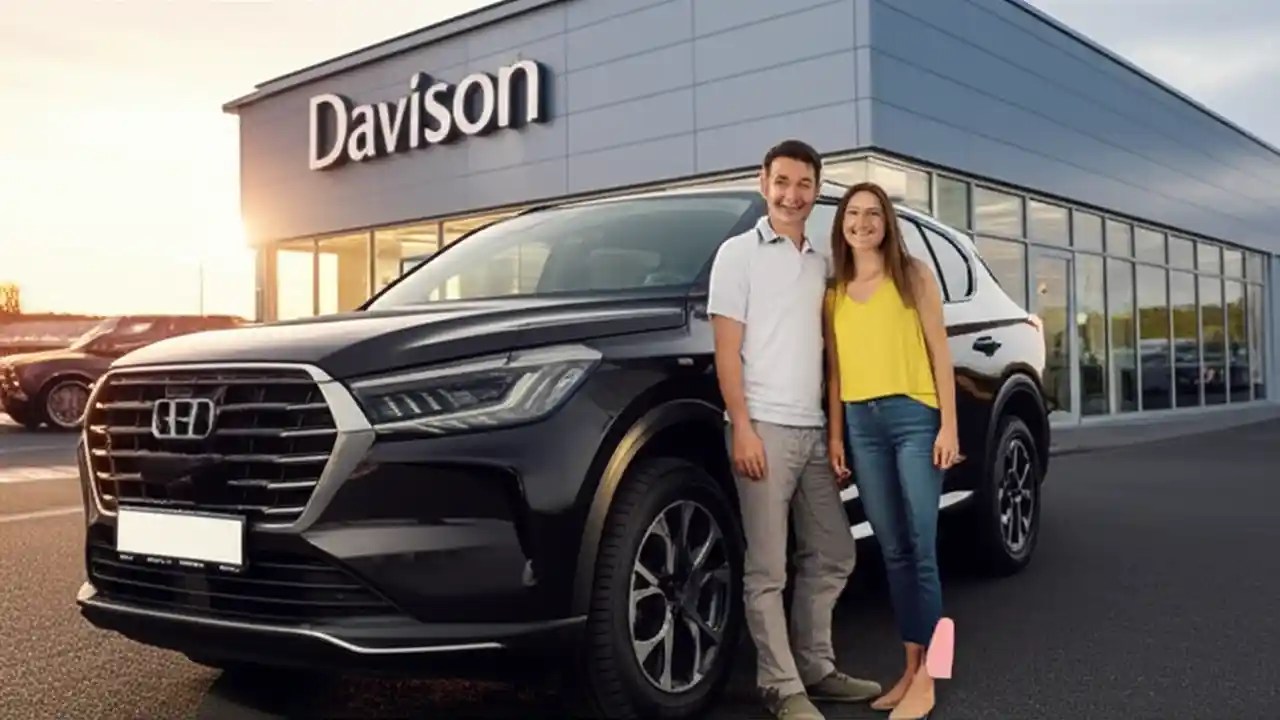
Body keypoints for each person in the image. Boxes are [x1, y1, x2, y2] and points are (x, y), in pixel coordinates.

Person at [708, 140, 882, 720]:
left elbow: (834, 353)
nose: (792, 194)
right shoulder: (737, 255)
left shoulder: (822, 263)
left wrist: (834, 434)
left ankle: (815, 668)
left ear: (817, 190)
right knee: (767, 569)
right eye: (782, 182)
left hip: (812, 431)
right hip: (764, 429)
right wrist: (742, 427)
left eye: (804, 184)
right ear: (763, 183)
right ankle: (781, 688)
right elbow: (726, 352)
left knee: (834, 551)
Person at [822, 181, 959, 720]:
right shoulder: (833, 292)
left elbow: (940, 354)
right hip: (862, 424)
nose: (862, 222)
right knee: (894, 549)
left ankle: (932, 675)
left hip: (914, 419)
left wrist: (948, 427)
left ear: (886, 222)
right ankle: (909, 667)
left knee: (923, 545)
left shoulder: (912, 276)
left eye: (873, 213)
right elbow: (835, 372)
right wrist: (836, 436)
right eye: (853, 214)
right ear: (842, 224)